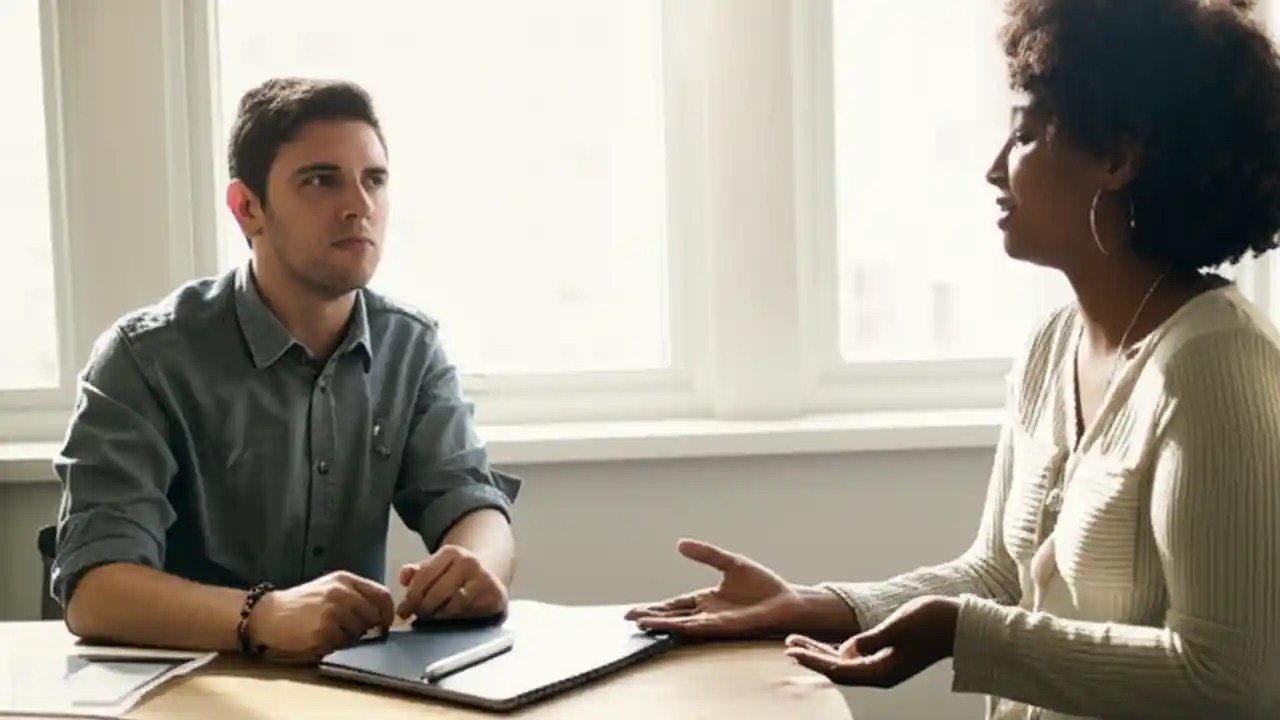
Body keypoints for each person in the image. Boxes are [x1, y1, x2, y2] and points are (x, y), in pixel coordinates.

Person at [627, 1, 1280, 717]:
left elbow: (1231, 680)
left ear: (1121, 156)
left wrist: (963, 636)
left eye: (1027, 133)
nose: (995, 168)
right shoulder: (1050, 347)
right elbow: (997, 573)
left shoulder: (1216, 368)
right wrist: (811, 605)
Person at [52, 78, 520, 664]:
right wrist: (263, 615)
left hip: (350, 688)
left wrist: (476, 564)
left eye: (373, 179)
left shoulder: (412, 344)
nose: (360, 205)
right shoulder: (144, 357)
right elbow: (95, 593)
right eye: (321, 180)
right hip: (192, 690)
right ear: (248, 208)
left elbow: (471, 501)